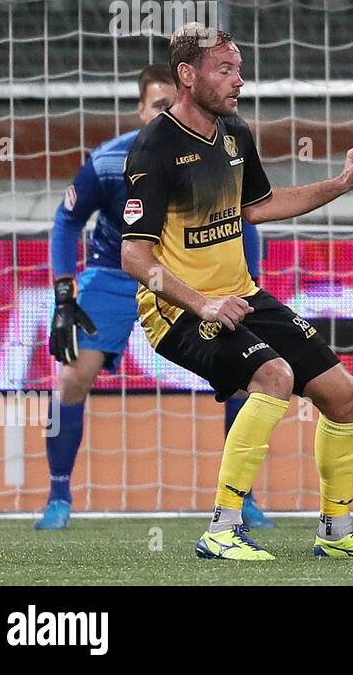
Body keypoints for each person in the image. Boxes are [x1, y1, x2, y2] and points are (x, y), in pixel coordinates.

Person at [121, 23, 353, 561]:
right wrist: (203, 303)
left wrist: (339, 184)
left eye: (239, 69)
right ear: (187, 75)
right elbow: (134, 256)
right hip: (179, 311)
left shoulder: (233, 131)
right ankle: (221, 530)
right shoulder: (154, 148)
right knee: (273, 376)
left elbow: (258, 206)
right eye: (225, 70)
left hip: (241, 294)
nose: (239, 81)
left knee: (346, 396)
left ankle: (336, 532)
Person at [40, 63, 271, 532]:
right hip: (115, 272)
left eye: (177, 104)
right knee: (72, 377)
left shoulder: (214, 155)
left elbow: (242, 219)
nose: (169, 113)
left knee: (246, 377)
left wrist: (249, 280)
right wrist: (65, 293)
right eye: (160, 105)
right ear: (142, 109)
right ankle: (58, 497)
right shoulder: (108, 161)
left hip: (193, 276)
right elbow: (67, 222)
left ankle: (241, 498)